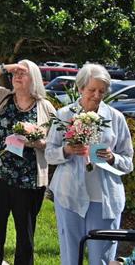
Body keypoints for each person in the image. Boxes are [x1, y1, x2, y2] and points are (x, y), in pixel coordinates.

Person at [45, 64, 134, 265]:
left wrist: (112, 157)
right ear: (80, 88)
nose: (96, 95)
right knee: (70, 257)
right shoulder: (64, 115)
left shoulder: (115, 118)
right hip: (69, 196)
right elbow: (49, 155)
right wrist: (66, 151)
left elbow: (128, 162)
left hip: (104, 200)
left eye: (101, 91)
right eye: (92, 89)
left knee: (101, 259)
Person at [0, 60, 56, 265]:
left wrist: (38, 142)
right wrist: (4, 68)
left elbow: (55, 142)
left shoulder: (45, 107)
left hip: (28, 181)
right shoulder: (2, 97)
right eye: (15, 73)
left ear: (34, 78)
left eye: (23, 73)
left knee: (25, 235)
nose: (17, 76)